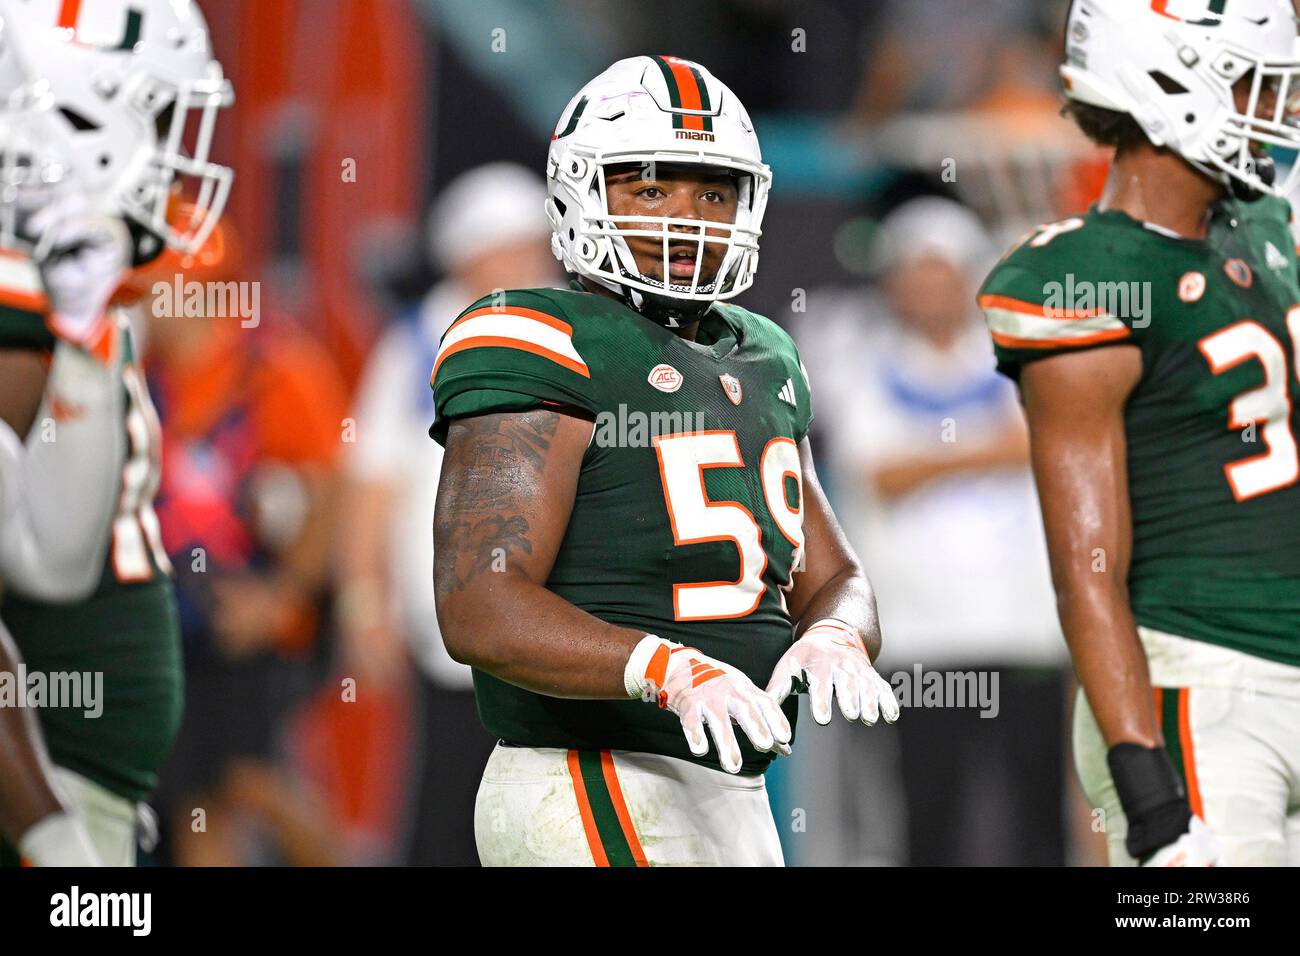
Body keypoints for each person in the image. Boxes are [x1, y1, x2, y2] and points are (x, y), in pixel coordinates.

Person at [431, 55, 899, 867]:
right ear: (582, 191)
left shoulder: (767, 355)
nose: (687, 217)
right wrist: (662, 669)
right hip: (594, 775)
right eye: (649, 190)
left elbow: (834, 577)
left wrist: (837, 636)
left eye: (711, 192)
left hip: (731, 788)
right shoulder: (536, 333)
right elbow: (479, 603)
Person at [979, 0, 1300, 866]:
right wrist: (1149, 791)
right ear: (1171, 83)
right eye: (1249, 81)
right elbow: (1088, 568)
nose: (1278, 107)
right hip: (1200, 681)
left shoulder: (1270, 230)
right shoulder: (1084, 277)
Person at [0, 0, 234, 867]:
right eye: (161, 115)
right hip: (44, 795)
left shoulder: (72, 278)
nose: (180, 153)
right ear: (71, 114)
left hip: (82, 785)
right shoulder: (20, 291)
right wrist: (47, 829)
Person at [808, 196, 1067, 865]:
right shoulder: (859, 365)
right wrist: (995, 448)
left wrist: (934, 458)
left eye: (943, 271)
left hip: (1024, 635)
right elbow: (881, 474)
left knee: (1038, 817)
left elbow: (1049, 449)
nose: (929, 287)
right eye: (915, 273)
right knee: (928, 821)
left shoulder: (1024, 357)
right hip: (917, 643)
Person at [341, 162, 558, 865]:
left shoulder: (573, 331)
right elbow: (372, 484)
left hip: (561, 626)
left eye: (535, 243)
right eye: (511, 245)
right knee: (452, 807)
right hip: (451, 630)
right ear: (468, 254)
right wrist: (363, 602)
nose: (530, 259)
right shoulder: (413, 347)